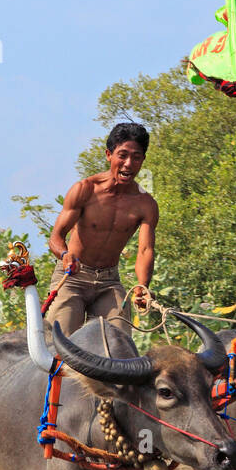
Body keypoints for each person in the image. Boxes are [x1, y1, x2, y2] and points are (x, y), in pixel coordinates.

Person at [45, 122, 158, 334]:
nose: (128, 164)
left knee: (119, 345)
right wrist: (65, 254)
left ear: (143, 160)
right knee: (59, 342)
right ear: (109, 155)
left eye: (136, 157)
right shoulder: (85, 190)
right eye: (122, 155)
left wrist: (142, 286)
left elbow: (145, 250)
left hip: (109, 283)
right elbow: (56, 237)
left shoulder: (146, 204)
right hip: (72, 278)